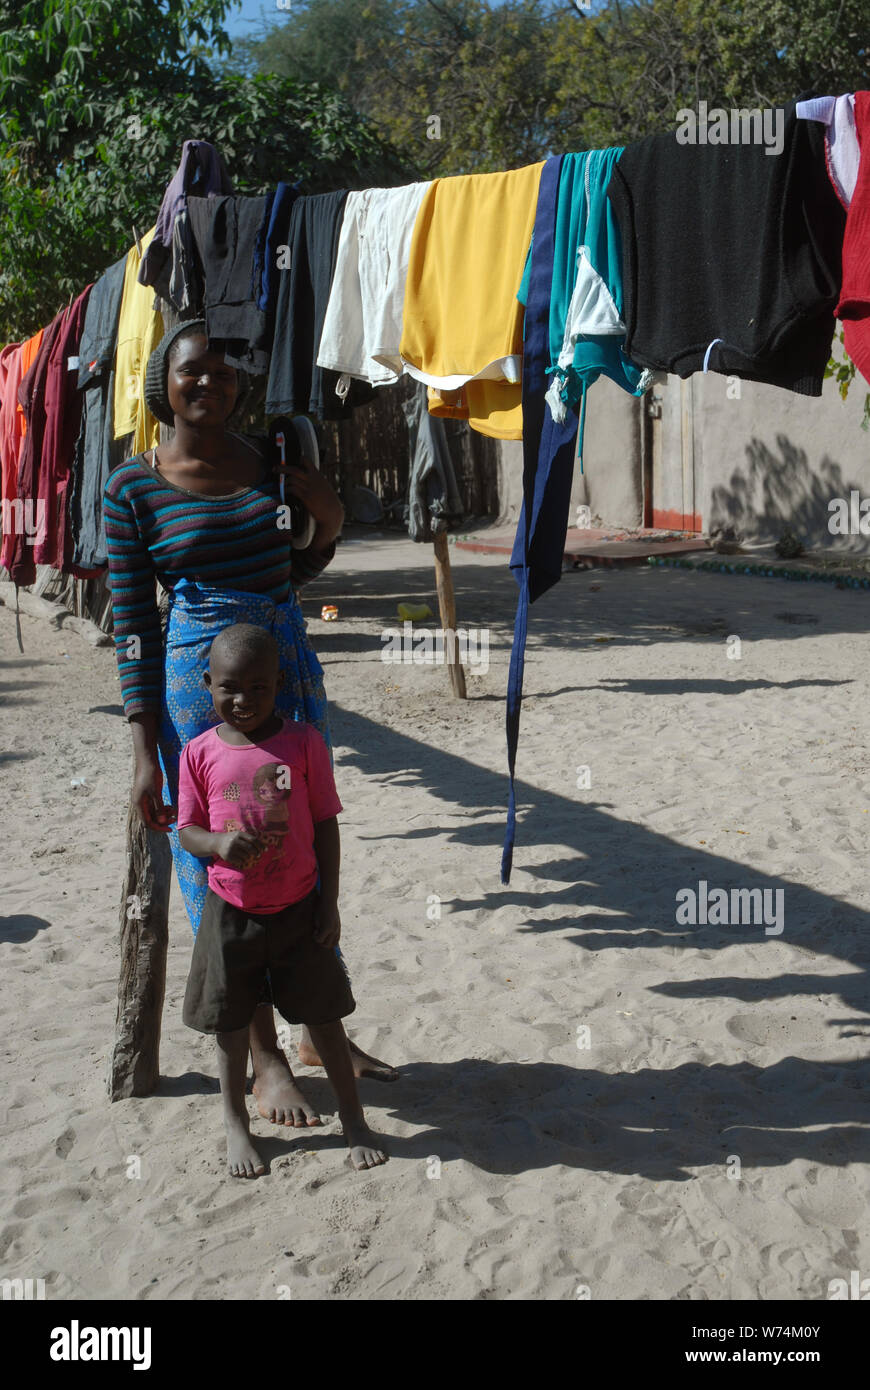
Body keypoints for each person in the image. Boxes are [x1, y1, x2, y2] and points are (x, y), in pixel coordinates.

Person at [103, 319, 396, 1132]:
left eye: (228, 373)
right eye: (196, 370)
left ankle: (318, 1029)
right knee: (230, 873)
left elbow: (288, 567)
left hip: (287, 668)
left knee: (297, 846)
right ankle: (263, 1058)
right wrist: (142, 753)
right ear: (165, 379)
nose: (214, 383)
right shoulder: (134, 486)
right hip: (204, 699)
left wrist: (329, 523)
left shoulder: (272, 461)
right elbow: (131, 622)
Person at [178, 622, 388, 1175]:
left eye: (258, 688)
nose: (243, 701)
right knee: (230, 1027)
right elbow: (187, 831)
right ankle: (235, 1124)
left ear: (279, 684)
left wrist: (329, 902)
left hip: (299, 906)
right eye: (229, 688)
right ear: (208, 684)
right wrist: (219, 843)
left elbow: (325, 824)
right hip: (231, 911)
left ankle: (355, 1121)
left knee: (325, 1018)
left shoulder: (302, 744)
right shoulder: (198, 752)